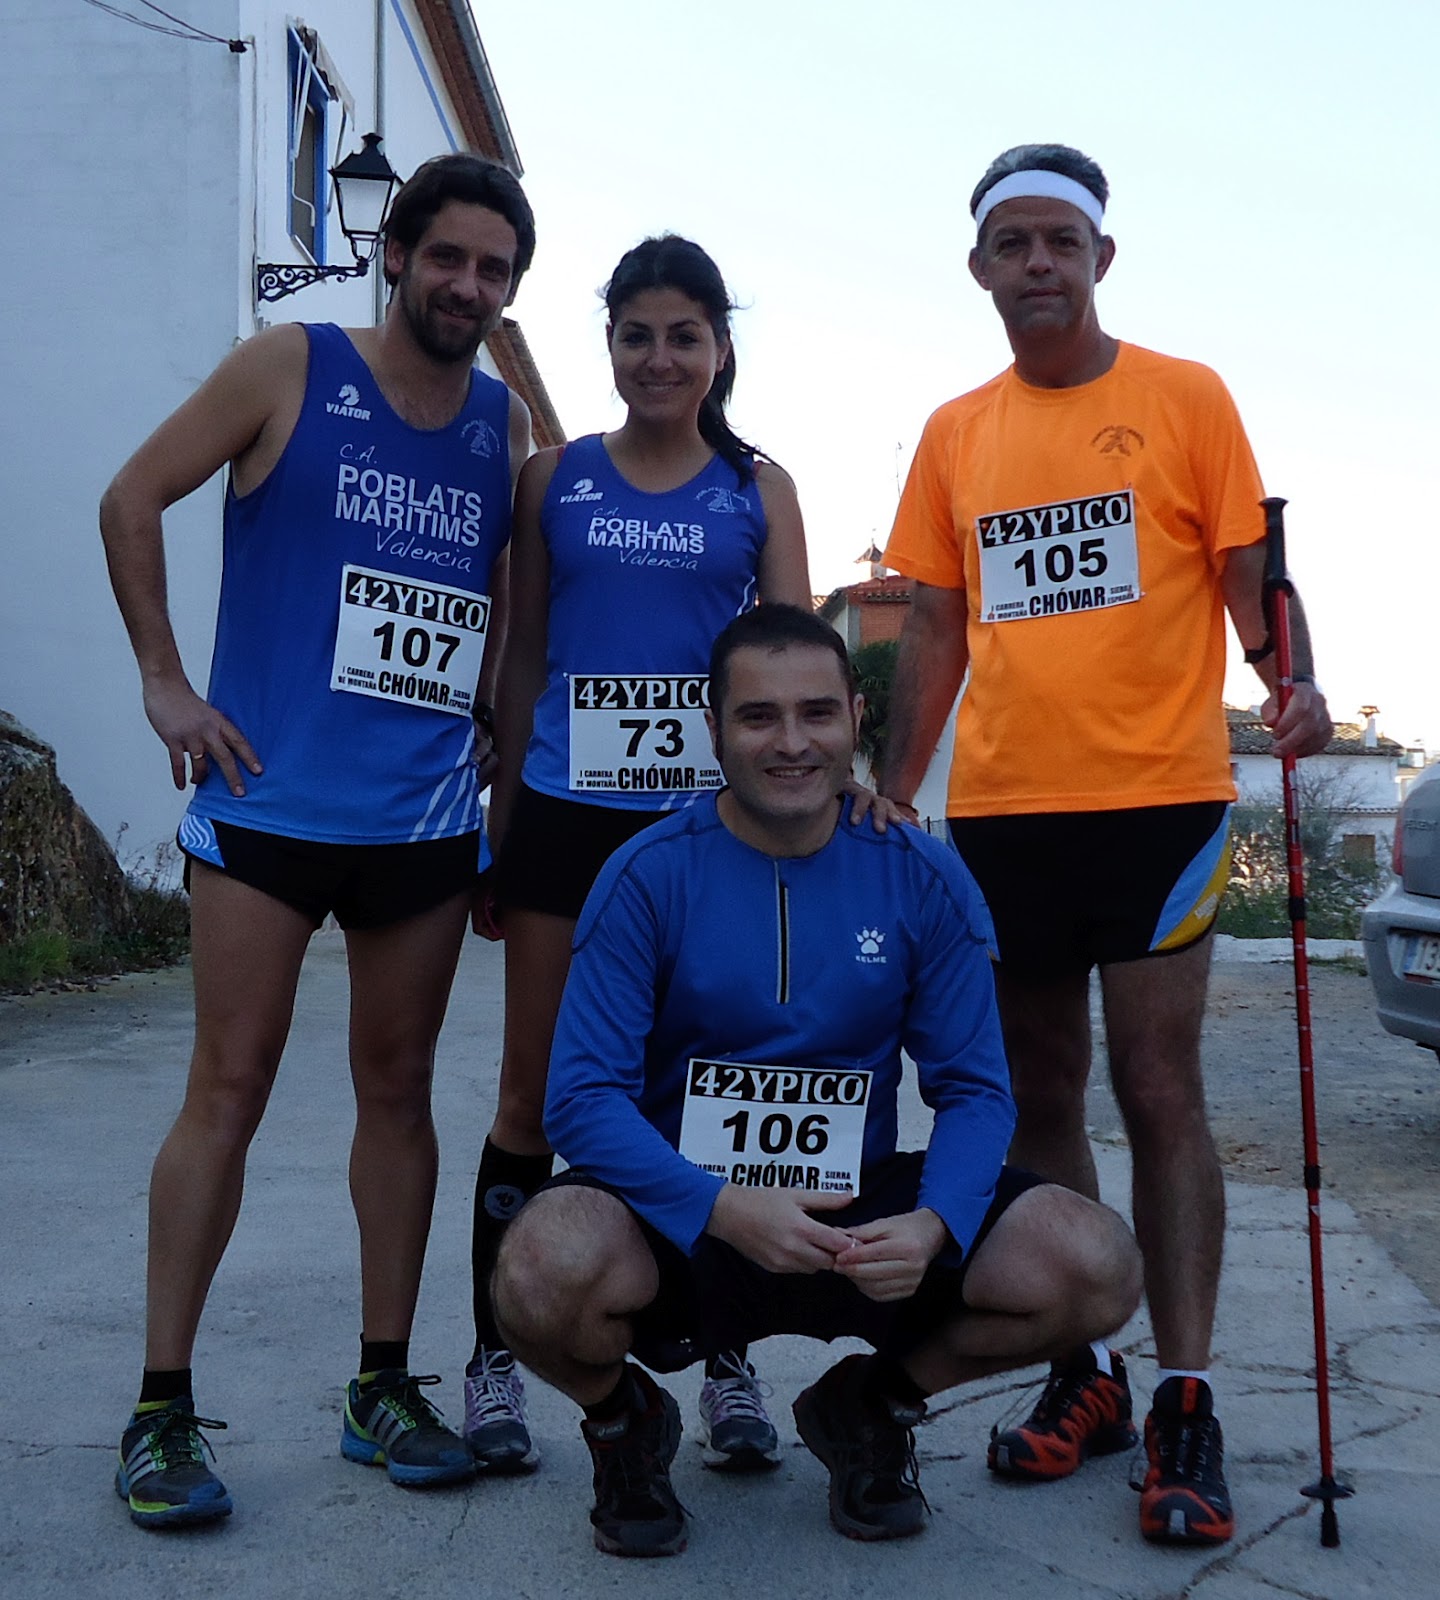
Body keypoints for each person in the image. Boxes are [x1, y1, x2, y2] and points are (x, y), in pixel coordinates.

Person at [879, 144, 1335, 1547]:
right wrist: (888, 789)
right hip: (1004, 816)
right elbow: (937, 622)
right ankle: (1089, 1375)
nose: (1037, 263)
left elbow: (1252, 576)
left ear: (1100, 259)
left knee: (1158, 1088)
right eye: (1011, 243)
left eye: (1059, 242)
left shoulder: (1186, 397)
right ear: (979, 267)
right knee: (1039, 1097)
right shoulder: (956, 430)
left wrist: (1295, 678)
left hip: (1159, 804)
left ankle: (1188, 1394)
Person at [490, 603, 1142, 1557]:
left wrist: (936, 1223)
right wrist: (718, 1206)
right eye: (758, 716)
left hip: (858, 1216)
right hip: (685, 1215)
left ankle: (871, 1408)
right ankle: (625, 1423)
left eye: (817, 713)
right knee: (537, 1268)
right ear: (713, 729)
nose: (791, 743)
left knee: (1096, 1266)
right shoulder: (644, 876)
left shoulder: (923, 876)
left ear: (855, 722)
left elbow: (974, 1089)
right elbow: (581, 1101)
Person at [99, 153, 535, 1527]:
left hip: (420, 823)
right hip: (266, 806)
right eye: (448, 256)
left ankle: (382, 1385)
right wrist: (165, 682)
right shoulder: (289, 366)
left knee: (398, 1097)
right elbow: (130, 497)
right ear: (395, 252)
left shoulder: (501, 423)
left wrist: (489, 717)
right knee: (226, 1091)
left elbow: (501, 586)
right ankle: (160, 1407)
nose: (467, 285)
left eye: (494, 269)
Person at [462, 236, 816, 1476]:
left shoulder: (758, 487)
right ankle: (496, 1357)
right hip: (566, 815)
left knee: (703, 1097)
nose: (659, 358)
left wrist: (818, 816)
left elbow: (792, 664)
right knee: (533, 1091)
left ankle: (726, 1355)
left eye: (684, 336)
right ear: (607, 343)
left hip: (709, 836)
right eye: (635, 335)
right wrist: (501, 823)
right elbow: (522, 654)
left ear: (720, 348)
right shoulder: (553, 477)